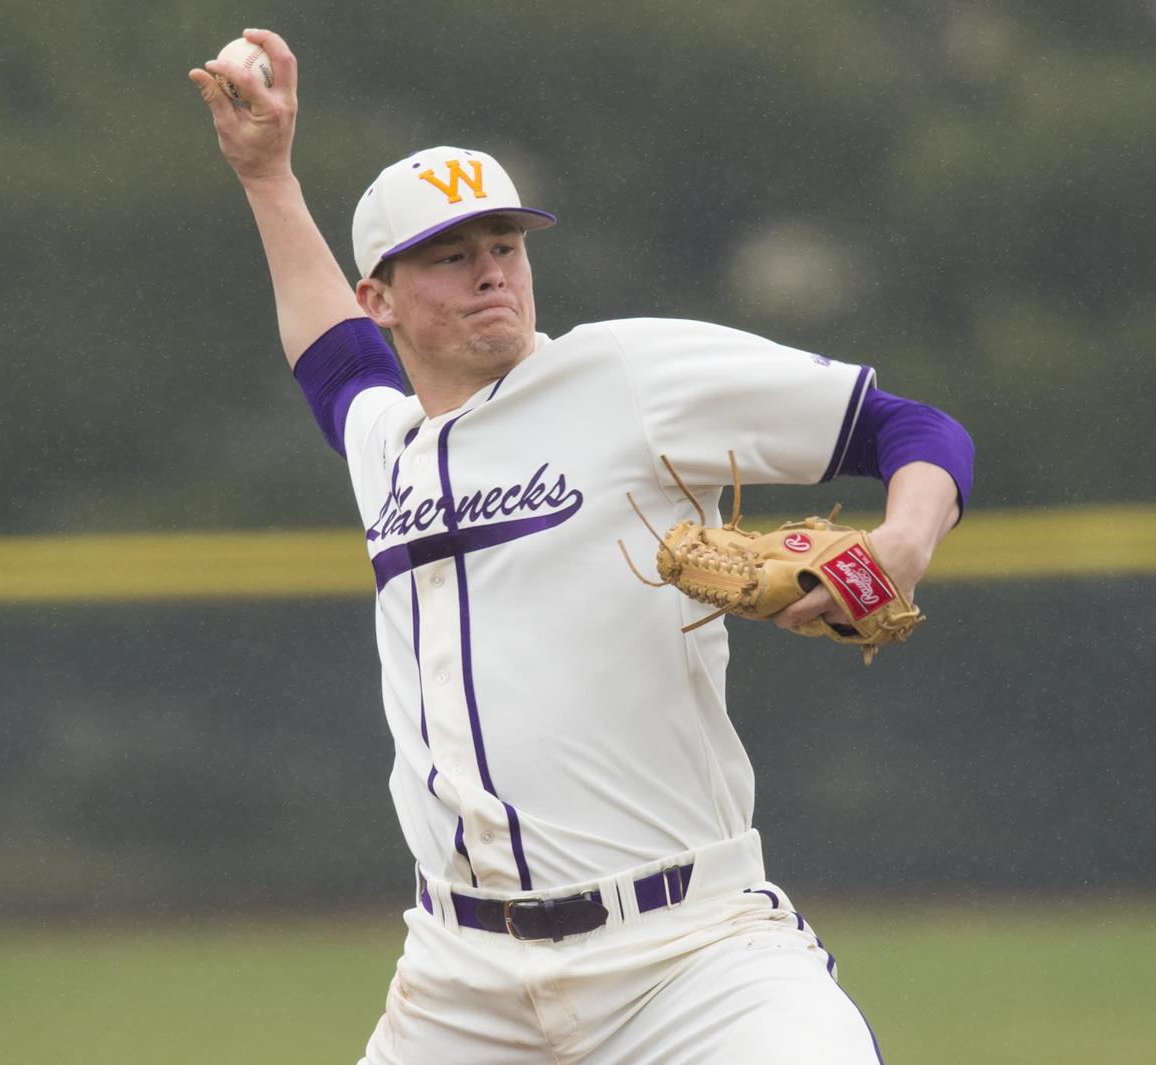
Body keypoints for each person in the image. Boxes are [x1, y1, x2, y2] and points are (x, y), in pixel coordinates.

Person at [191, 29, 973, 1065]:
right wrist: (267, 175)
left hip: (687, 952)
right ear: (379, 298)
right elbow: (330, 360)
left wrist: (902, 543)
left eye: (505, 247)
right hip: (459, 981)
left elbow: (911, 428)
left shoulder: (626, 377)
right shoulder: (387, 446)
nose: (490, 273)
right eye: (451, 256)